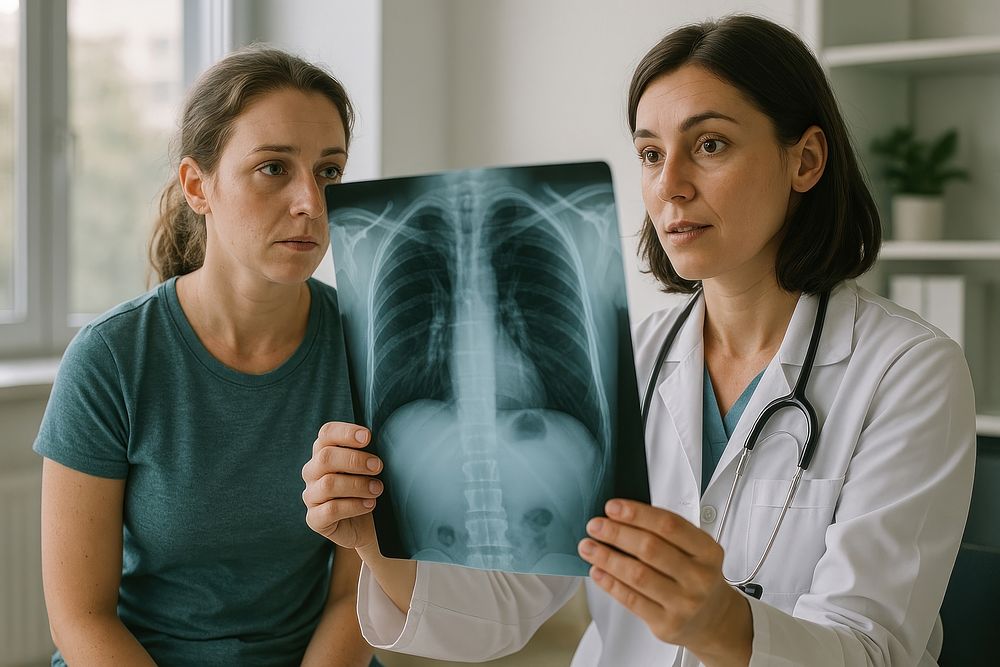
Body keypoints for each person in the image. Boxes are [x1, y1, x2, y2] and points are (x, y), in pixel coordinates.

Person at [301, 14, 977, 667]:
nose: (669, 185)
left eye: (709, 145)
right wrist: (375, 540)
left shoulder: (908, 372)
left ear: (804, 160)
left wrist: (721, 625)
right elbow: (505, 612)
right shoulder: (635, 354)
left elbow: (871, 649)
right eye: (651, 153)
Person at [35, 46, 376, 666]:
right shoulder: (110, 359)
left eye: (328, 171)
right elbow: (79, 617)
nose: (311, 202)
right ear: (199, 186)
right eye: (274, 168)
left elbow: (355, 594)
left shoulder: (368, 346)